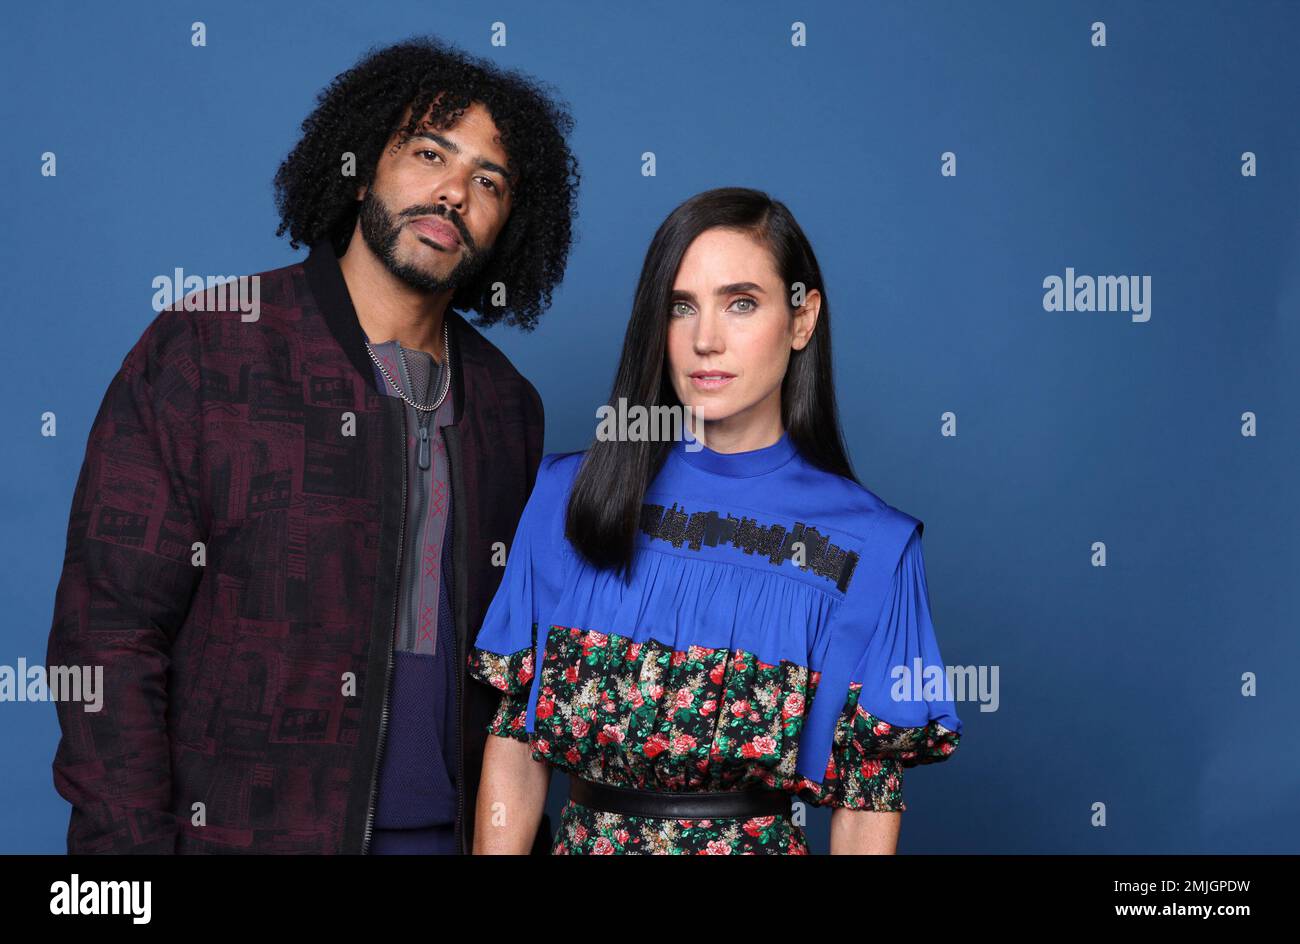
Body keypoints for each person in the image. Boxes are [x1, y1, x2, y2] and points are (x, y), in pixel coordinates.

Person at [46, 36, 578, 854]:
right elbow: (105, 640)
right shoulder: (207, 352)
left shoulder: (510, 407)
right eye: (429, 153)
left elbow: (515, 674)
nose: (452, 194)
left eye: (488, 181)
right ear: (363, 168)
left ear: (509, 223)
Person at [468, 187, 962, 855]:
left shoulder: (871, 545)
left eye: (741, 303)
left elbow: (865, 798)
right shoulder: (568, 496)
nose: (704, 339)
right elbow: (516, 744)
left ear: (801, 318)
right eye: (681, 307)